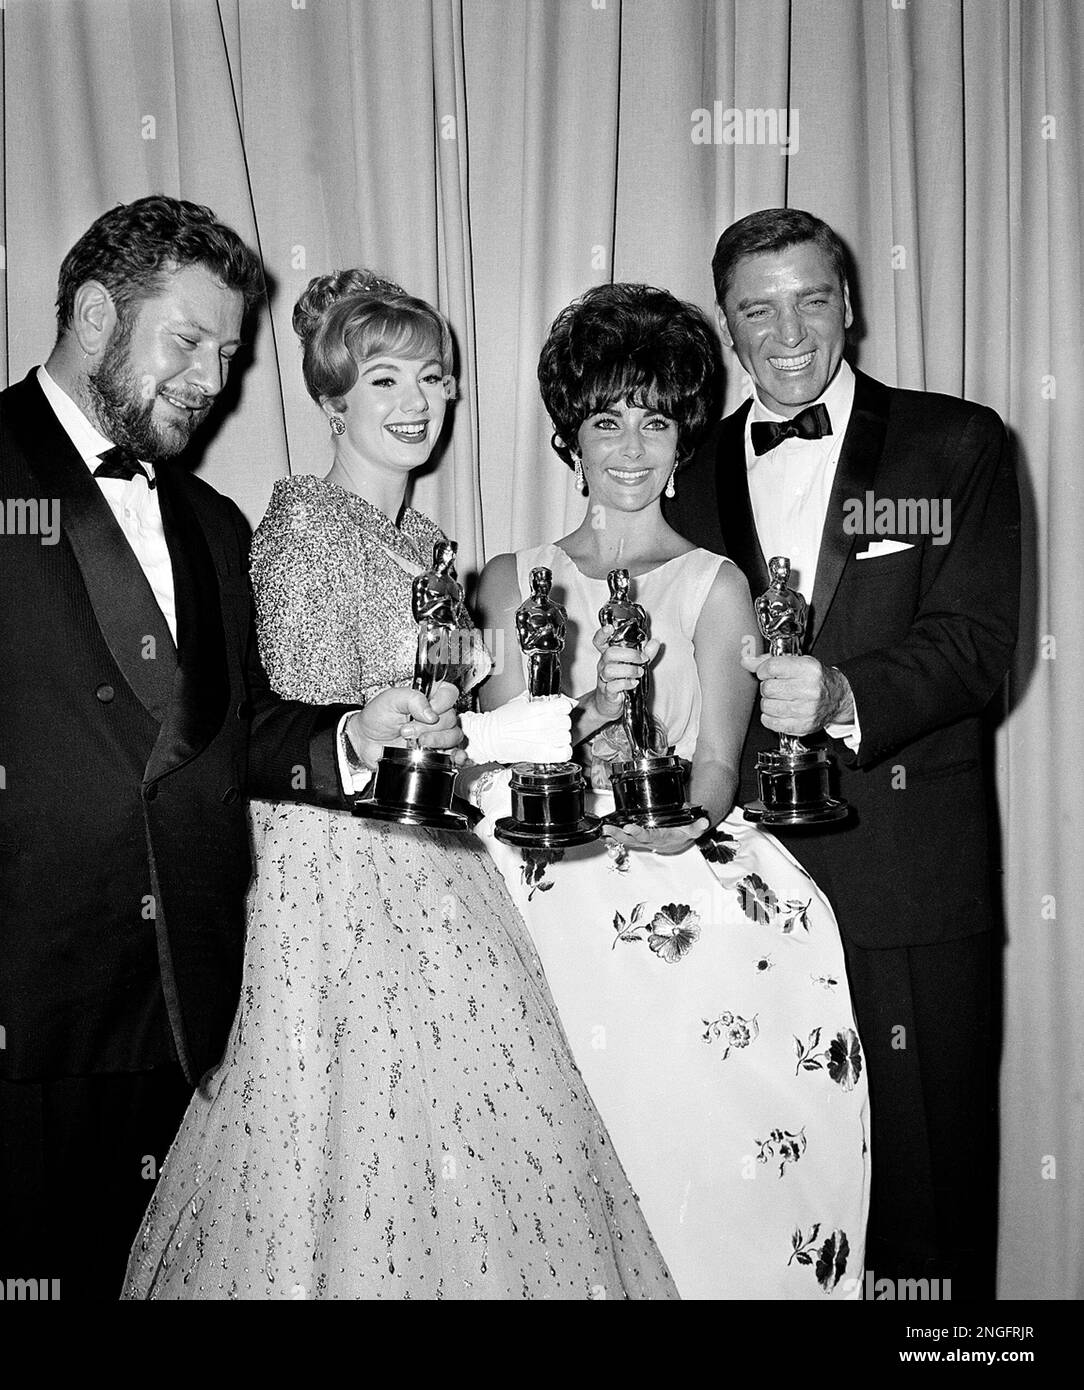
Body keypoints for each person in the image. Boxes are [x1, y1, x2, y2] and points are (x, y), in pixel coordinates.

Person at [0, 198, 464, 1302]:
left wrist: (353, 734)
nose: (212, 379)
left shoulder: (214, 521)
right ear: (95, 311)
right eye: (187, 341)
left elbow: (237, 734)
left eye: (226, 353)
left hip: (178, 1001)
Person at [122, 270, 677, 1300]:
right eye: (383, 379)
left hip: (435, 869)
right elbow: (287, 742)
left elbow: (451, 746)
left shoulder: (425, 547)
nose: (416, 400)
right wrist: (390, 734)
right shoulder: (298, 532)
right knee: (332, 1159)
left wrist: (591, 708)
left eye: (432, 376)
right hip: (328, 887)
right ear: (331, 400)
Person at [476, 282, 871, 1299]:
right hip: (540, 877)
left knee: (703, 1169)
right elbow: (501, 757)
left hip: (676, 869)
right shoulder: (506, 580)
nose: (629, 445)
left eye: (653, 418)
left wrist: (677, 819)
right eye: (605, 418)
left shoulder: (715, 581)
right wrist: (587, 719)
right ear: (568, 433)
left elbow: (717, 768)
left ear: (682, 432)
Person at [665, 208, 1020, 1299]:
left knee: (921, 1203)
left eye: (809, 299)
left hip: (905, 878)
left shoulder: (952, 445)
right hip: (738, 895)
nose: (785, 332)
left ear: (848, 302)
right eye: (754, 309)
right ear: (725, 324)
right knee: (764, 1197)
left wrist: (845, 692)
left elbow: (978, 647)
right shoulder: (678, 471)